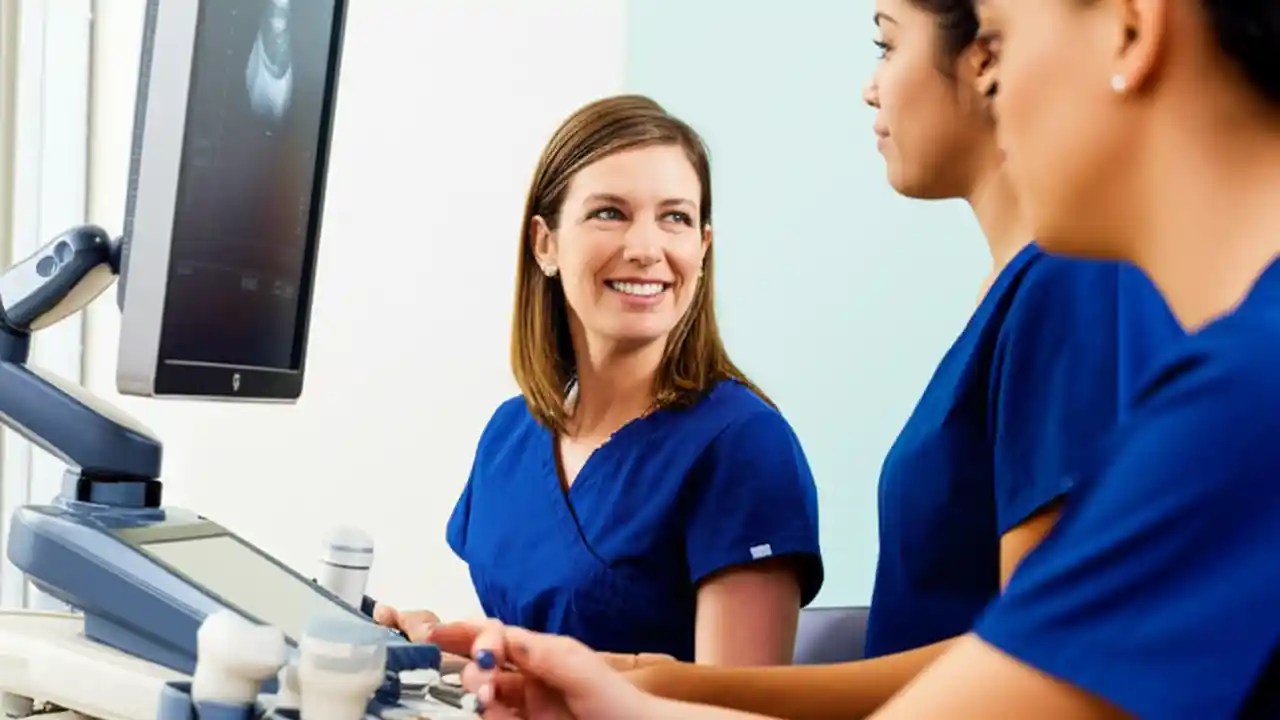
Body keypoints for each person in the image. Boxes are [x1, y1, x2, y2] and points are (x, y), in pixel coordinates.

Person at [457, 0, 1280, 717]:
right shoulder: (1228, 382)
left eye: (998, 38)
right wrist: (630, 690)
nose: (992, 85)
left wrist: (658, 688)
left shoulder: (1241, 401)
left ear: (1133, 28)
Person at [373, 94, 825, 666]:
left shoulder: (742, 446)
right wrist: (431, 654)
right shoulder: (511, 435)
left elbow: (737, 706)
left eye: (676, 218)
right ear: (546, 243)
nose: (645, 248)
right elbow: (525, 666)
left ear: (702, 249)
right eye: (610, 212)